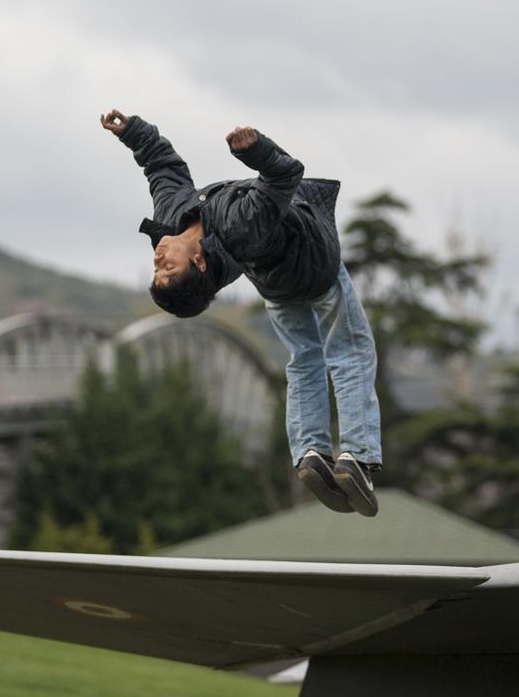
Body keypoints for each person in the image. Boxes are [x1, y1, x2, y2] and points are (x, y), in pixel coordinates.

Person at [100, 108, 382, 517]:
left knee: (304, 360)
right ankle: (358, 455)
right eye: (168, 267)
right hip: (314, 265)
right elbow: (287, 176)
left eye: (156, 266)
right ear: (198, 263)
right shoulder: (238, 224)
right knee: (350, 351)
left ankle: (310, 452)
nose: (158, 255)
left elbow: (162, 166)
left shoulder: (171, 216)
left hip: (277, 286)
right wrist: (255, 152)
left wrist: (132, 132)